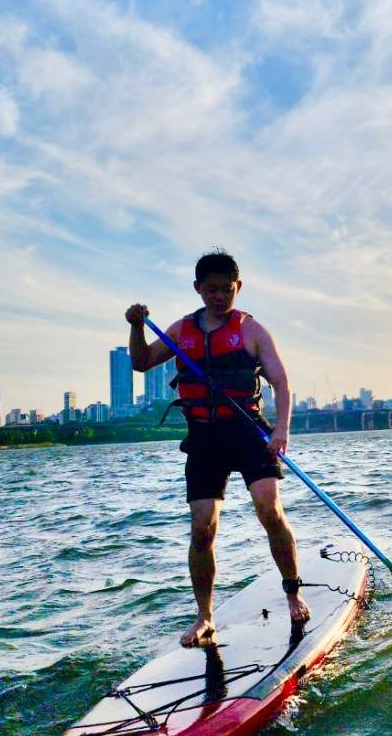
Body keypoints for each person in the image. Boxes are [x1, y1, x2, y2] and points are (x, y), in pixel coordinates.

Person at [125, 251, 309, 646]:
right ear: (198, 289)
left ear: (237, 288)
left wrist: (281, 429)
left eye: (227, 290)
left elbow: (282, 382)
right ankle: (205, 617)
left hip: (248, 432)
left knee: (269, 510)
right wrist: (136, 326)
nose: (220, 297)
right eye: (212, 290)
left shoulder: (252, 330)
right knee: (202, 530)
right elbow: (141, 362)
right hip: (205, 437)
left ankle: (293, 593)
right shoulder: (181, 330)